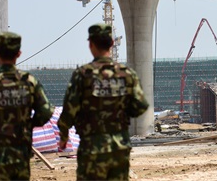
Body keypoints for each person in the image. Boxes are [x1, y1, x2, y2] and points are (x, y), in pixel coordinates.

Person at [58, 23, 149, 180]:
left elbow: (68, 111)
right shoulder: (127, 74)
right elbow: (140, 107)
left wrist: (64, 137)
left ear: (91, 44)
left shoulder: (83, 75)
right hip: (119, 147)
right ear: (112, 44)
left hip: (91, 147)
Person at [0, 31, 54, 181]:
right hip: (20, 153)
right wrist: (29, 124)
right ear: (19, 53)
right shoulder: (29, 82)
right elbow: (46, 110)